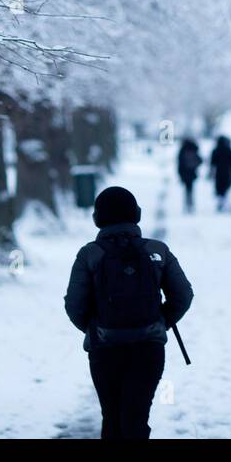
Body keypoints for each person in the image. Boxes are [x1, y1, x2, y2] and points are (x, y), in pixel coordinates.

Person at [64, 186, 193, 439]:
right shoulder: (158, 251)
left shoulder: (89, 254)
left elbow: (74, 304)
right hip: (148, 348)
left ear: (97, 218)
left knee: (111, 417)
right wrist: (160, 321)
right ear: (137, 214)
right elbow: (183, 295)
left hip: (104, 349)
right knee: (136, 417)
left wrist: (95, 326)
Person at [208, 136, 231, 212]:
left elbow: (212, 164)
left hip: (218, 173)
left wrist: (210, 173)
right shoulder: (228, 150)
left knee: (219, 189)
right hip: (227, 173)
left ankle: (221, 203)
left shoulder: (216, 150)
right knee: (225, 189)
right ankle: (223, 203)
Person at [176, 138, 201, 213]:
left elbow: (179, 163)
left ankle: (186, 205)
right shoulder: (194, 149)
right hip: (192, 172)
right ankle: (191, 205)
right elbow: (199, 160)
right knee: (191, 189)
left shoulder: (182, 150)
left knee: (187, 189)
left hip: (184, 173)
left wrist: (179, 173)